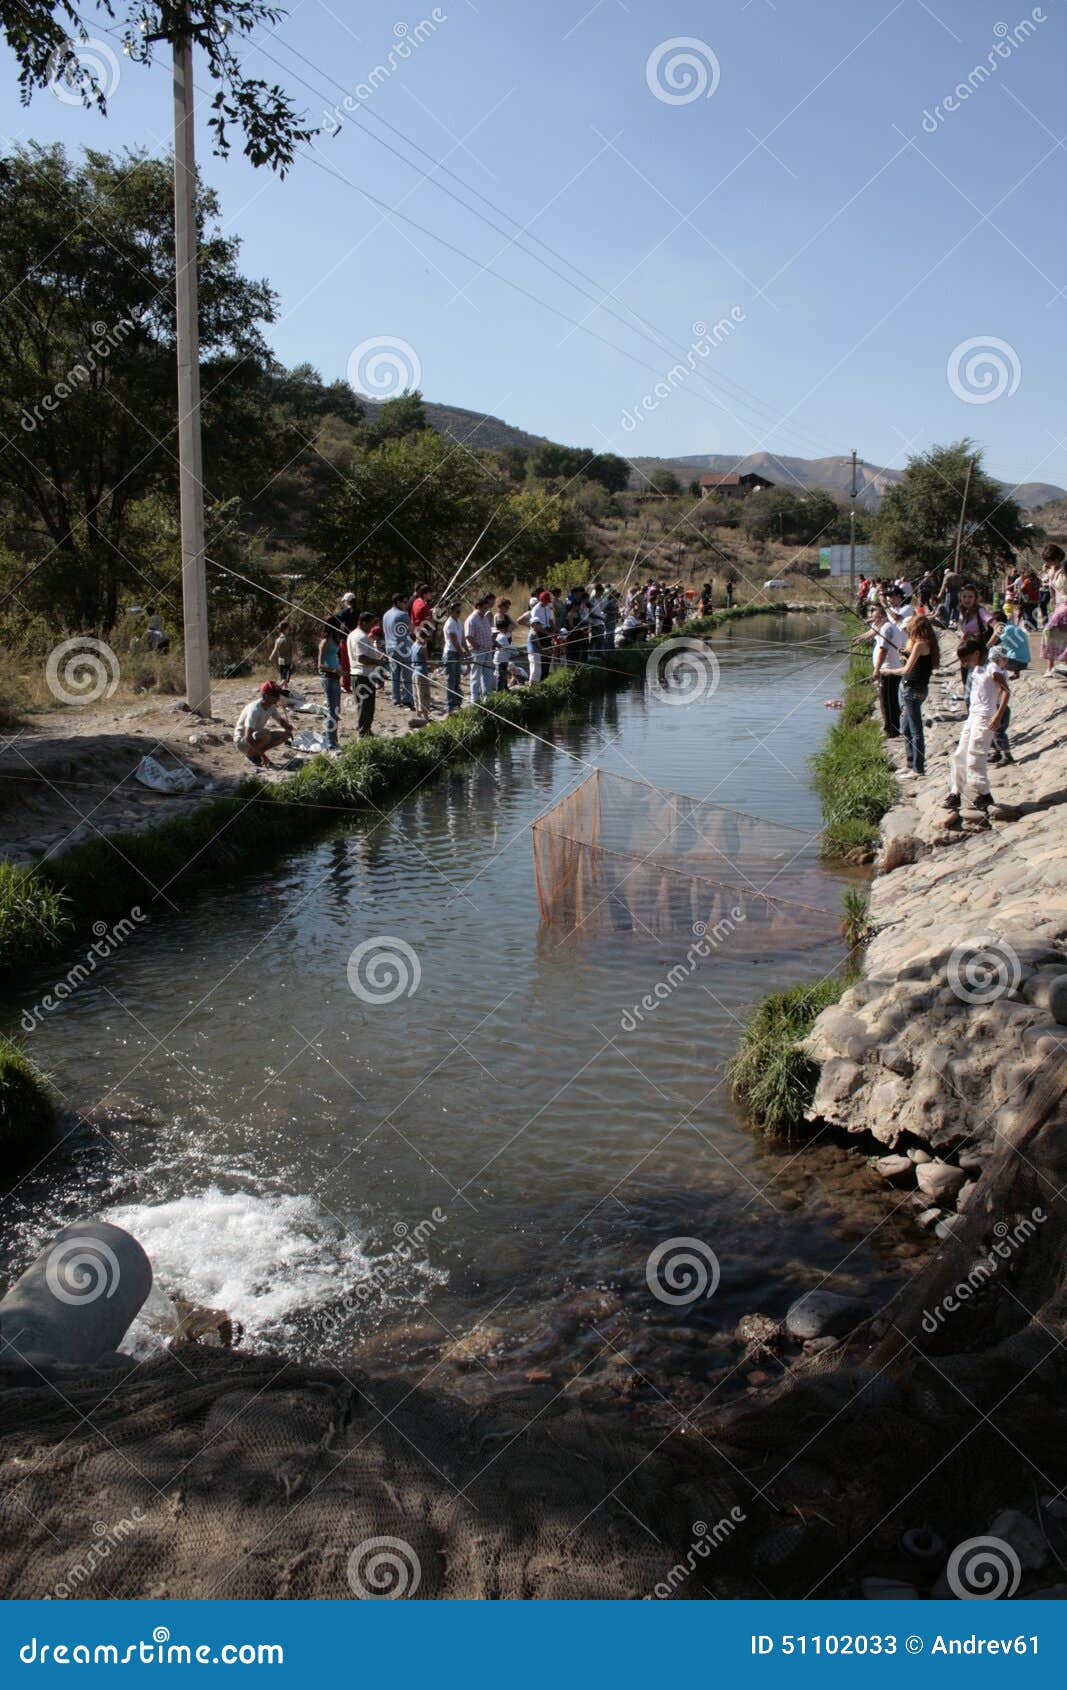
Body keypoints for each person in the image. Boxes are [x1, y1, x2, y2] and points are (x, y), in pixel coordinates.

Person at [944, 635, 1010, 815]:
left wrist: (998, 715)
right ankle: (955, 792)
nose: (965, 663)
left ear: (976, 653)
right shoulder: (978, 668)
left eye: (966, 659)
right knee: (959, 754)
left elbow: (1005, 692)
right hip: (973, 715)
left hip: (985, 717)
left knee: (975, 755)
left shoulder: (992, 668)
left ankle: (984, 794)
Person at [881, 611, 940, 778]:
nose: (908, 631)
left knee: (915, 731)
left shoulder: (919, 644)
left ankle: (918, 768)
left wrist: (887, 671)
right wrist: (907, 654)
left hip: (912, 690)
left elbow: (906, 670)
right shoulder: (928, 643)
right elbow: (919, 664)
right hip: (919, 689)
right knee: (906, 728)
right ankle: (909, 764)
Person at [233, 680, 294, 767]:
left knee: (285, 735)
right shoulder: (254, 710)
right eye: (275, 695)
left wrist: (287, 726)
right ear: (266, 695)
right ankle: (251, 755)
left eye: (278, 695)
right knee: (265, 734)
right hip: (242, 742)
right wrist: (264, 756)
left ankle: (256, 754)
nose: (278, 698)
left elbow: (280, 720)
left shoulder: (271, 706)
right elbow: (248, 737)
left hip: (255, 736)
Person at [347, 611, 388, 736]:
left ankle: (365, 731)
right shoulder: (362, 637)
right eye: (371, 623)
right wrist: (378, 662)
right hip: (363, 676)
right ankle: (364, 733)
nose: (372, 626)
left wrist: (378, 659)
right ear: (363, 622)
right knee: (367, 707)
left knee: (362, 706)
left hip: (357, 675)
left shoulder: (352, 634)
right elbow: (361, 658)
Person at [382, 594, 414, 709]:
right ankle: (407, 699)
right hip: (402, 648)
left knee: (394, 675)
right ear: (398, 602)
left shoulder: (385, 615)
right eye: (405, 602)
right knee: (407, 675)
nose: (406, 605)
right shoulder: (403, 615)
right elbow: (411, 630)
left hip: (389, 648)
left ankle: (395, 699)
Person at [1039, 544, 1067, 676]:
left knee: (1048, 630)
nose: (1050, 562)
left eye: (1052, 559)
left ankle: (1060, 663)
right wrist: (1052, 598)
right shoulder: (1050, 571)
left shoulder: (1065, 569)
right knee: (1059, 634)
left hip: (1066, 604)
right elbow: (1051, 586)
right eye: (1047, 560)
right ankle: (1050, 667)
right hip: (1058, 604)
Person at [464, 595, 495, 702]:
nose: (486, 610)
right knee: (476, 675)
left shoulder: (485, 617)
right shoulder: (472, 619)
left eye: (487, 608)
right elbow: (468, 636)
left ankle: (487, 697)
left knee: (487, 674)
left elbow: (488, 632)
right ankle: (475, 698)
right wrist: (476, 647)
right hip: (478, 651)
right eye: (484, 608)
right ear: (478, 607)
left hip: (488, 650)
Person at [317, 623, 342, 751]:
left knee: (337, 710)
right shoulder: (324, 642)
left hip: (336, 677)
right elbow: (320, 665)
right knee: (332, 711)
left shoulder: (335, 639)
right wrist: (334, 670)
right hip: (328, 677)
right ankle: (330, 743)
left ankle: (334, 739)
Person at [441, 600, 466, 712]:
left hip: (457, 653)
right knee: (450, 680)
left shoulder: (459, 622)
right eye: (457, 611)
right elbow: (454, 641)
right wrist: (462, 652)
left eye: (460, 611)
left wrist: (468, 653)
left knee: (457, 679)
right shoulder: (449, 623)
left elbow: (462, 639)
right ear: (450, 611)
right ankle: (449, 705)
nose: (458, 613)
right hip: (450, 653)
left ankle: (456, 703)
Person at [411, 625, 433, 719]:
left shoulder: (413, 646)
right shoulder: (423, 648)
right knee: (424, 695)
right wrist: (433, 666)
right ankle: (426, 718)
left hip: (414, 673)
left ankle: (418, 715)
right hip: (422, 674)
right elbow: (427, 662)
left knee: (416, 695)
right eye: (427, 639)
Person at [269, 621, 294, 685]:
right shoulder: (289, 639)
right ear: (285, 630)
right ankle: (278, 688)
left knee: (282, 676)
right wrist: (298, 657)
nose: (289, 630)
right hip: (288, 661)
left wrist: (271, 657)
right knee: (286, 678)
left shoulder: (277, 640)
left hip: (280, 661)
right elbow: (294, 649)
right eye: (288, 629)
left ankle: (284, 688)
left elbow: (275, 649)